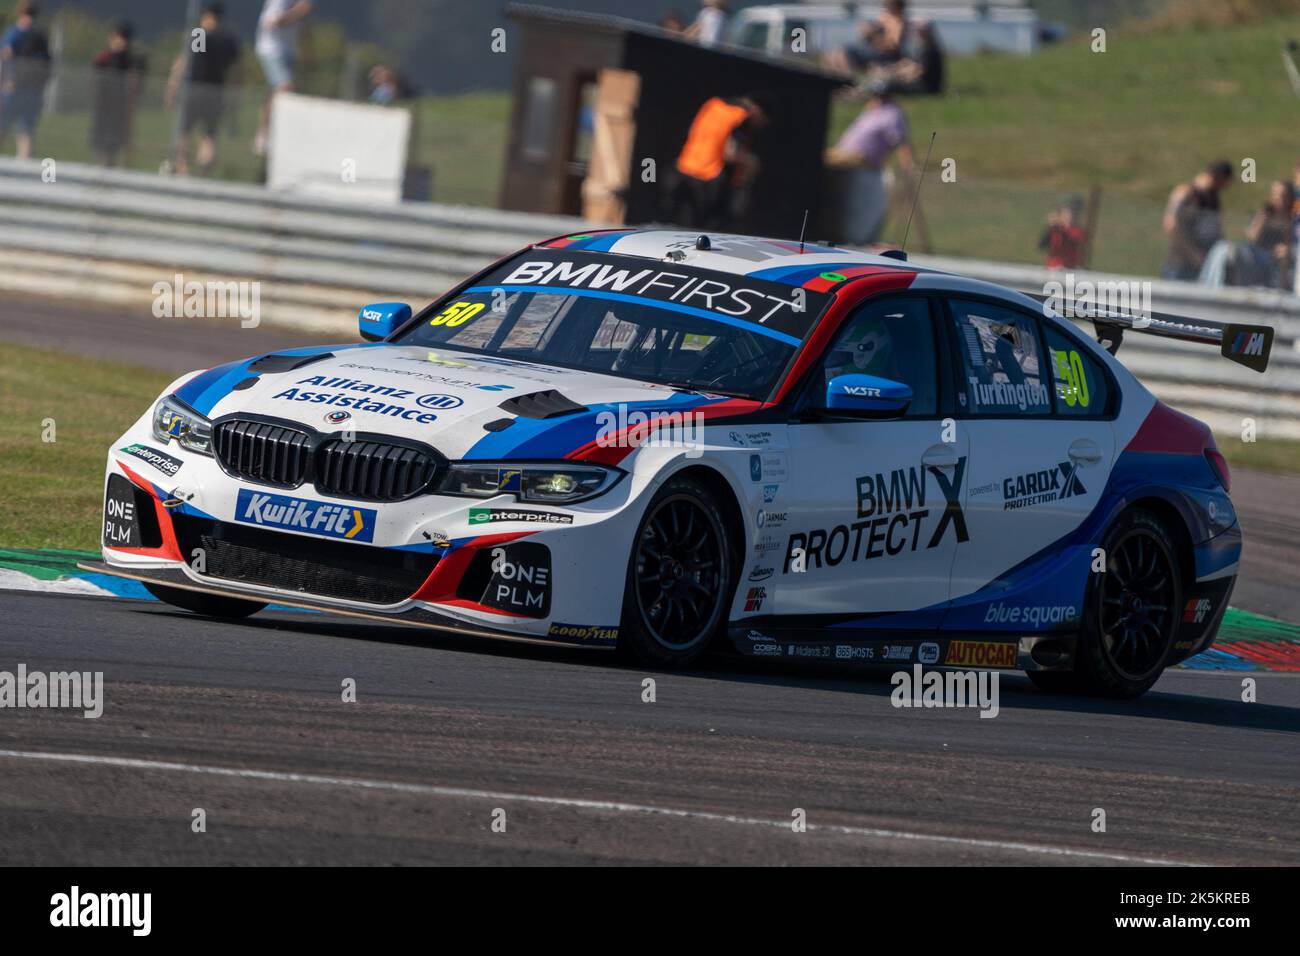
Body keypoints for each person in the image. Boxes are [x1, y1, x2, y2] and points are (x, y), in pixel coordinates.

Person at [824, 81, 915, 245]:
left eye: (881, 96)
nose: (877, 99)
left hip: (861, 159)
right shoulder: (871, 110)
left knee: (825, 160)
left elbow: (900, 142)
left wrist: (908, 166)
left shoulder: (892, 114)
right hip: (845, 155)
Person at [668, 92, 771, 230]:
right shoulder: (742, 116)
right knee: (709, 229)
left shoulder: (714, 104)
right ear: (758, 109)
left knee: (683, 228)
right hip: (710, 175)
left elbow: (694, 130)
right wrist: (750, 163)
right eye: (763, 120)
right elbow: (730, 152)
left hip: (686, 167)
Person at [166, 3, 241, 176]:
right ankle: (204, 169)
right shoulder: (228, 40)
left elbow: (185, 62)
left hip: (195, 88)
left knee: (184, 131)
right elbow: (236, 71)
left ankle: (183, 167)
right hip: (217, 91)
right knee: (210, 135)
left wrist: (172, 87)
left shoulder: (199, 35)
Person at [253, 0, 312, 156]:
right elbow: (274, 22)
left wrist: (306, 49)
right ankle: (265, 134)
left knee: (275, 94)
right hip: (272, 49)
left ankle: (268, 131)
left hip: (289, 51)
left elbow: (303, 26)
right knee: (285, 86)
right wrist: (298, 11)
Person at [1162, 160, 1232, 281]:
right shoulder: (1186, 194)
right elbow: (1172, 226)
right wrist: (1193, 254)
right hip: (1181, 263)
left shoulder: (1213, 199)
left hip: (1204, 265)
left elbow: (1216, 229)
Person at [89, 20, 147, 168]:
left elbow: (136, 85)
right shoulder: (104, 58)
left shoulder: (131, 61)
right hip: (103, 109)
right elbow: (94, 81)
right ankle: (101, 170)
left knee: (114, 146)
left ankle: (110, 172)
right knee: (100, 144)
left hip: (119, 111)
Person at [0, 2, 51, 160]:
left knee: (26, 129)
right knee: (3, 126)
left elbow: (46, 66)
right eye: (27, 15)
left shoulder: (39, 38)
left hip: (30, 90)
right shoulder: (13, 34)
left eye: (32, 16)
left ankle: (25, 163)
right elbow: (5, 59)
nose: (29, 20)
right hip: (12, 89)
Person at [1241, 180, 1295, 289]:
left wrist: (1288, 249)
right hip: (1260, 256)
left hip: (1281, 261)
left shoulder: (1292, 217)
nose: (1276, 199)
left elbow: (1292, 241)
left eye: (1282, 196)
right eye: (1274, 195)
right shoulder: (1265, 212)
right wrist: (1261, 220)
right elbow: (1251, 237)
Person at [1039, 195, 1087, 269]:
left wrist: (1059, 227)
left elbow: (1071, 239)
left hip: (1069, 268)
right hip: (1053, 267)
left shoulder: (1078, 231)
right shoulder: (1055, 230)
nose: (1069, 217)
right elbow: (1042, 245)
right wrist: (1050, 228)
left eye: (1072, 214)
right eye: (1066, 214)